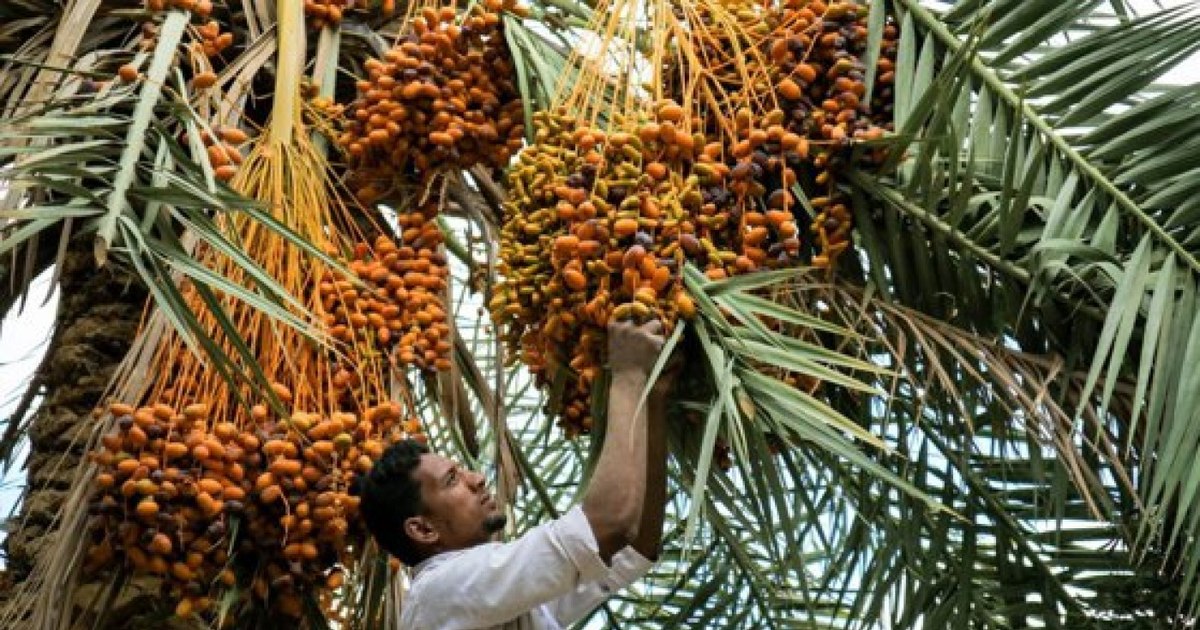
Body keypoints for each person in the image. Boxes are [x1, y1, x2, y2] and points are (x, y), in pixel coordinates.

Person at [355, 318, 675, 629]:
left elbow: (635, 546)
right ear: (423, 529)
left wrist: (655, 397)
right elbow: (610, 522)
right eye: (452, 480)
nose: (477, 478)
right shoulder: (440, 593)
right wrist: (628, 373)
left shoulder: (497, 599)